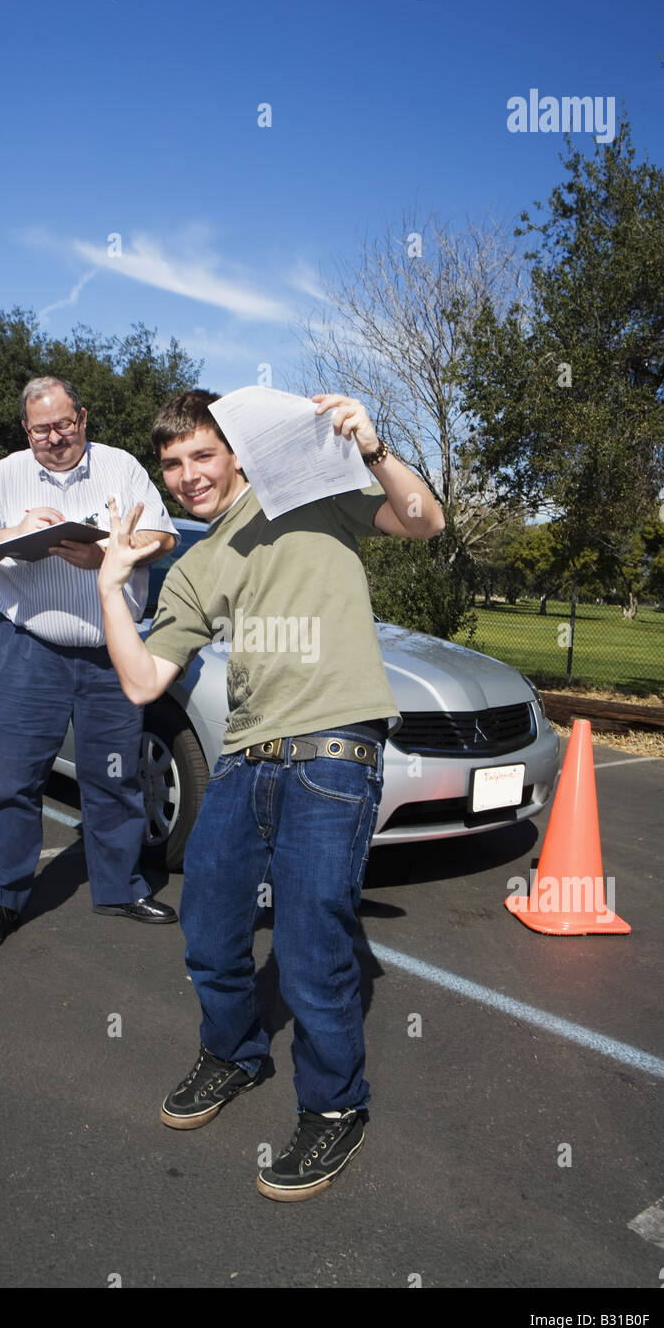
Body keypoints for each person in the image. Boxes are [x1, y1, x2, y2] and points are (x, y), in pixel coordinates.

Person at [98, 388, 445, 1200]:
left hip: (334, 749)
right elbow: (144, 676)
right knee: (209, 926)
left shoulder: (312, 496)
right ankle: (233, 1053)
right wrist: (112, 587)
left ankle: (333, 1108)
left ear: (238, 454)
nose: (188, 476)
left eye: (202, 456)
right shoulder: (193, 565)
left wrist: (373, 446)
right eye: (172, 463)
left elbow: (424, 522)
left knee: (311, 942)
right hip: (247, 758)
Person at [0, 375, 179, 951]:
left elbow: (164, 535)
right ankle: (1, 901)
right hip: (29, 652)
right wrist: (14, 532)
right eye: (40, 429)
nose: (54, 438)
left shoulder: (121, 467)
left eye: (64, 424)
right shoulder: (3, 475)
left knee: (114, 778)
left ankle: (120, 887)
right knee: (14, 782)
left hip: (109, 654)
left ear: (83, 417)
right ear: (26, 429)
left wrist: (104, 551)